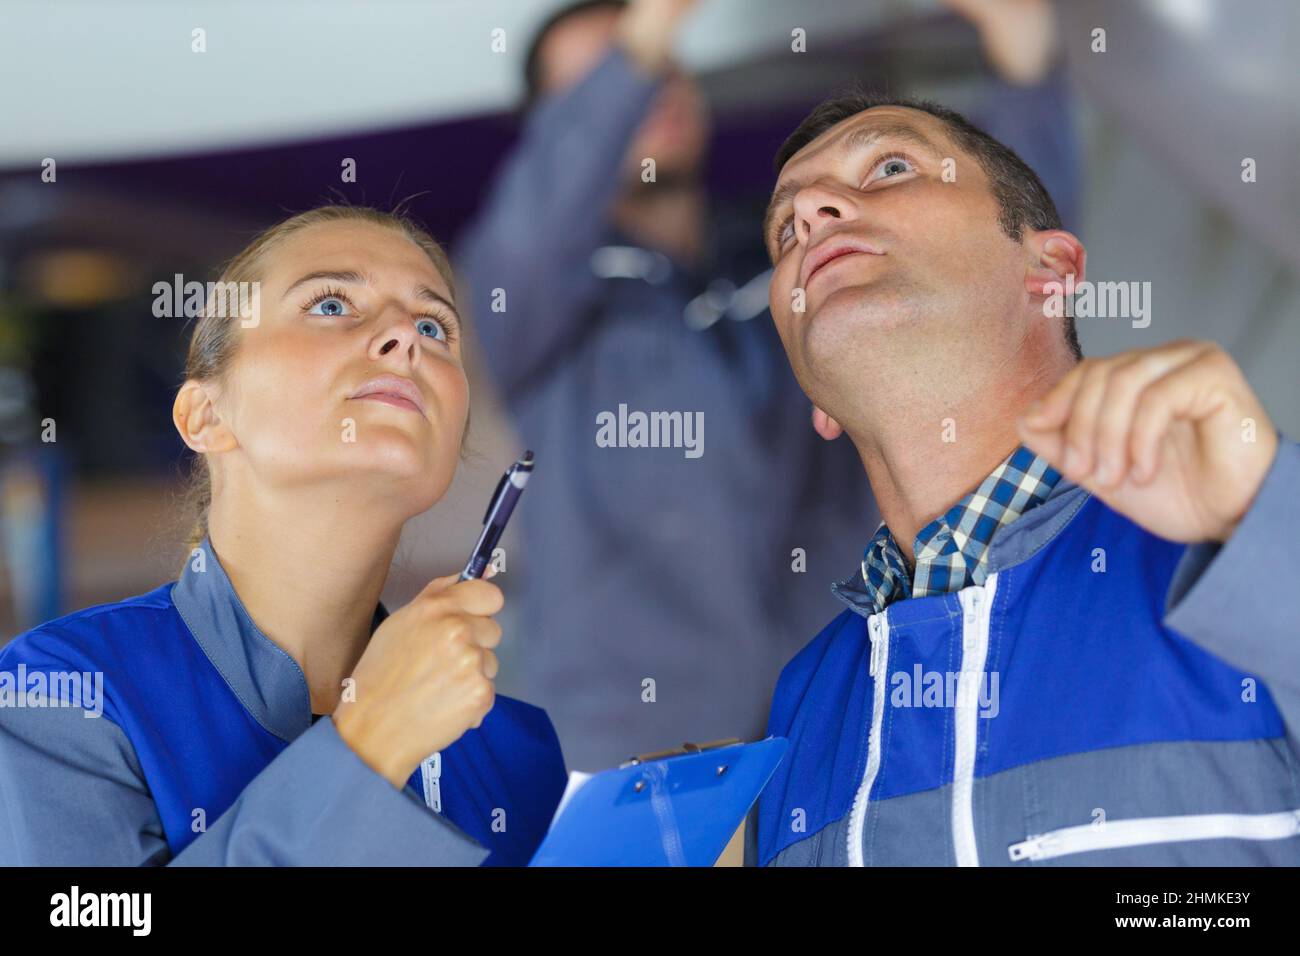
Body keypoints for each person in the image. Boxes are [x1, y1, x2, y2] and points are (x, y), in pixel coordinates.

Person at [750, 91, 1299, 866]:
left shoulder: (1242, 548)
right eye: (784, 229)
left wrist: (1274, 521)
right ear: (817, 403)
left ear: (1050, 269)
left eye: (891, 166)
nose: (810, 210)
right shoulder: (798, 709)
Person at [0, 206, 566, 866]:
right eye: (330, 304)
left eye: (434, 325)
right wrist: (373, 744)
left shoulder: (523, 755)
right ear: (206, 414)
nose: (405, 338)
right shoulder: (59, 697)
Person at [456, 0, 877, 770]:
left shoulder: (786, 265)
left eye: (663, 64)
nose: (648, 85)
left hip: (837, 721)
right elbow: (529, 229)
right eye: (606, 79)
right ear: (559, 131)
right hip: (636, 753)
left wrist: (1027, 65)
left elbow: (985, 276)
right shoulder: (533, 304)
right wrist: (645, 36)